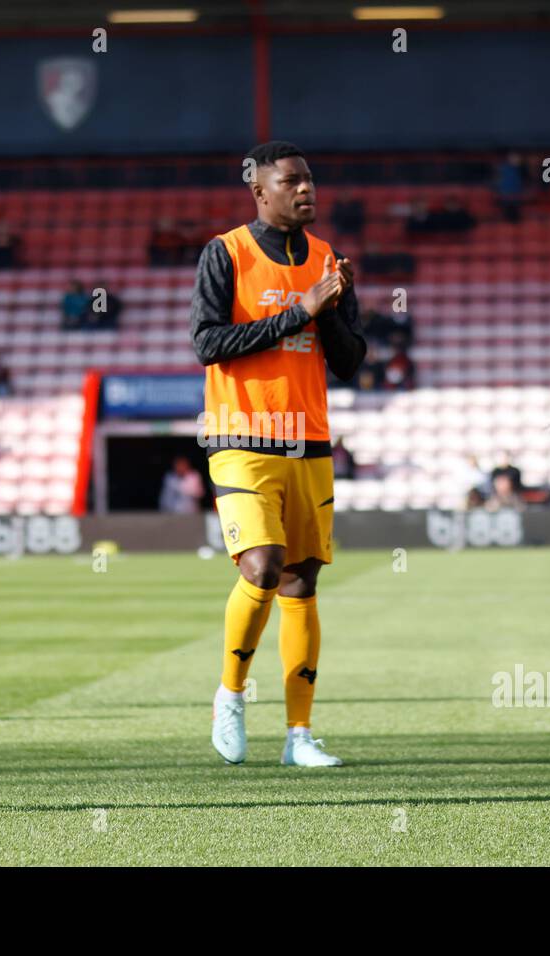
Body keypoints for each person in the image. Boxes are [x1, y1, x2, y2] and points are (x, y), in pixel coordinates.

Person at [191, 140, 365, 768]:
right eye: (291, 181)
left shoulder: (328, 260)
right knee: (263, 566)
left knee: (301, 580)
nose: (305, 189)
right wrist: (300, 310)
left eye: (309, 179)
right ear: (259, 191)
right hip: (241, 437)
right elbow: (208, 343)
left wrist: (331, 311)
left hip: (309, 440)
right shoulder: (226, 253)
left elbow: (350, 362)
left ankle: (299, 735)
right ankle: (231, 695)